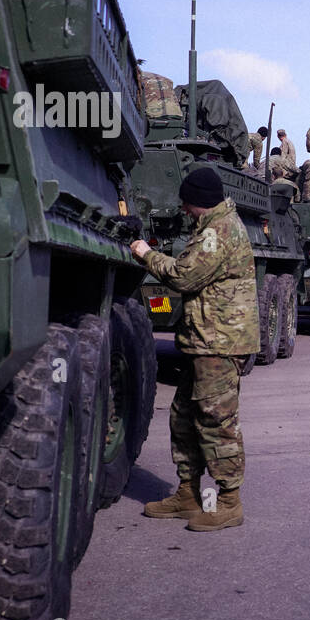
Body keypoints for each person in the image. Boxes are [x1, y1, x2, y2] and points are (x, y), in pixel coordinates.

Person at [131, 166, 258, 531]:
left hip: (220, 344)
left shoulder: (218, 232)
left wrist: (145, 253)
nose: (184, 209)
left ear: (199, 203)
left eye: (187, 203)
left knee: (217, 421)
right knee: (184, 417)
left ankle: (229, 501)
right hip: (206, 341)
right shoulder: (211, 227)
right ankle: (188, 493)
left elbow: (185, 276)